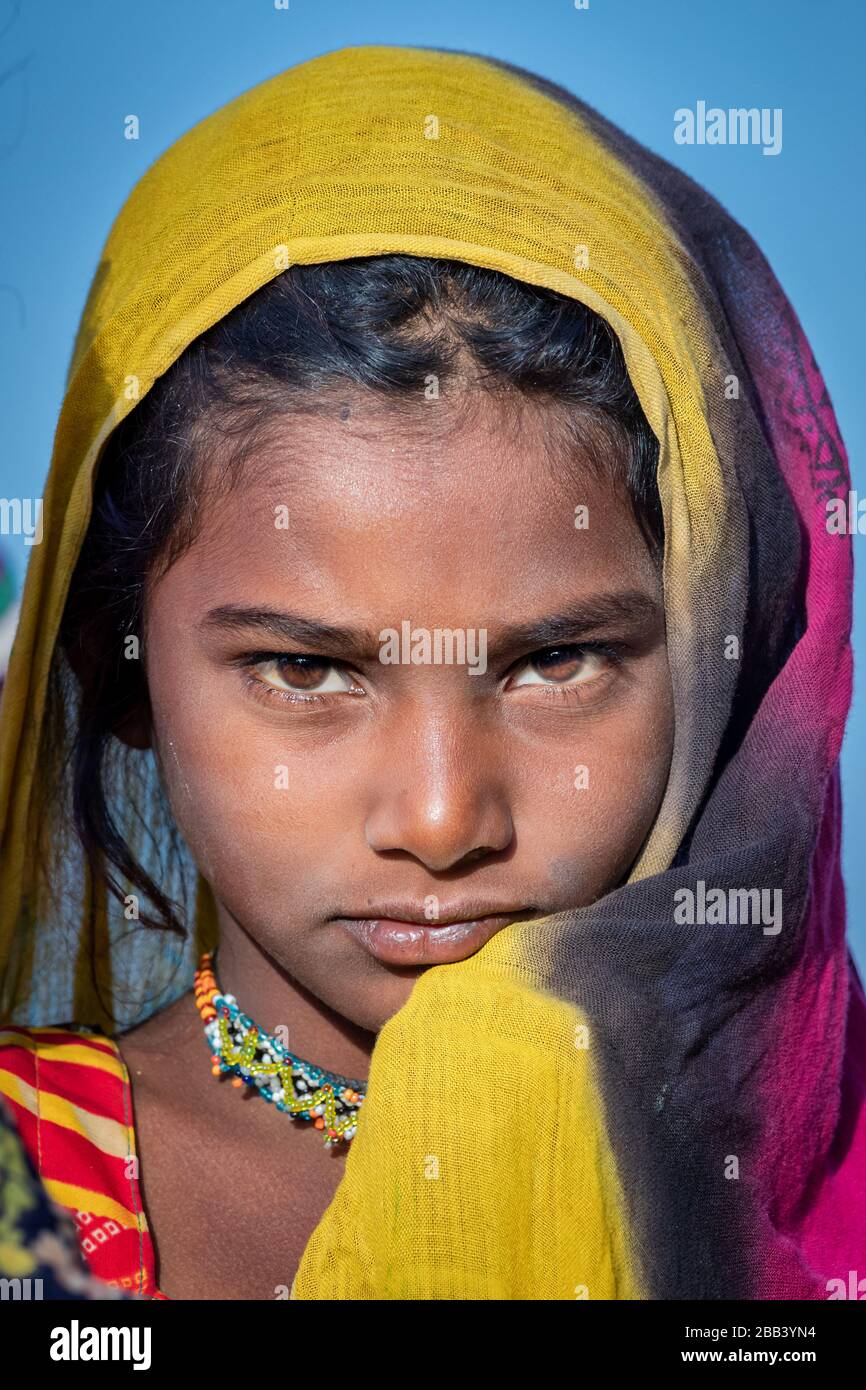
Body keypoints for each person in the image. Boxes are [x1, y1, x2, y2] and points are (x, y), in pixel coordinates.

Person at [0, 44, 863, 1301]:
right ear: (120, 670)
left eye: (556, 659)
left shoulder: (820, 1196)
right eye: (304, 669)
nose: (443, 818)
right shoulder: (24, 1199)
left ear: (718, 663)